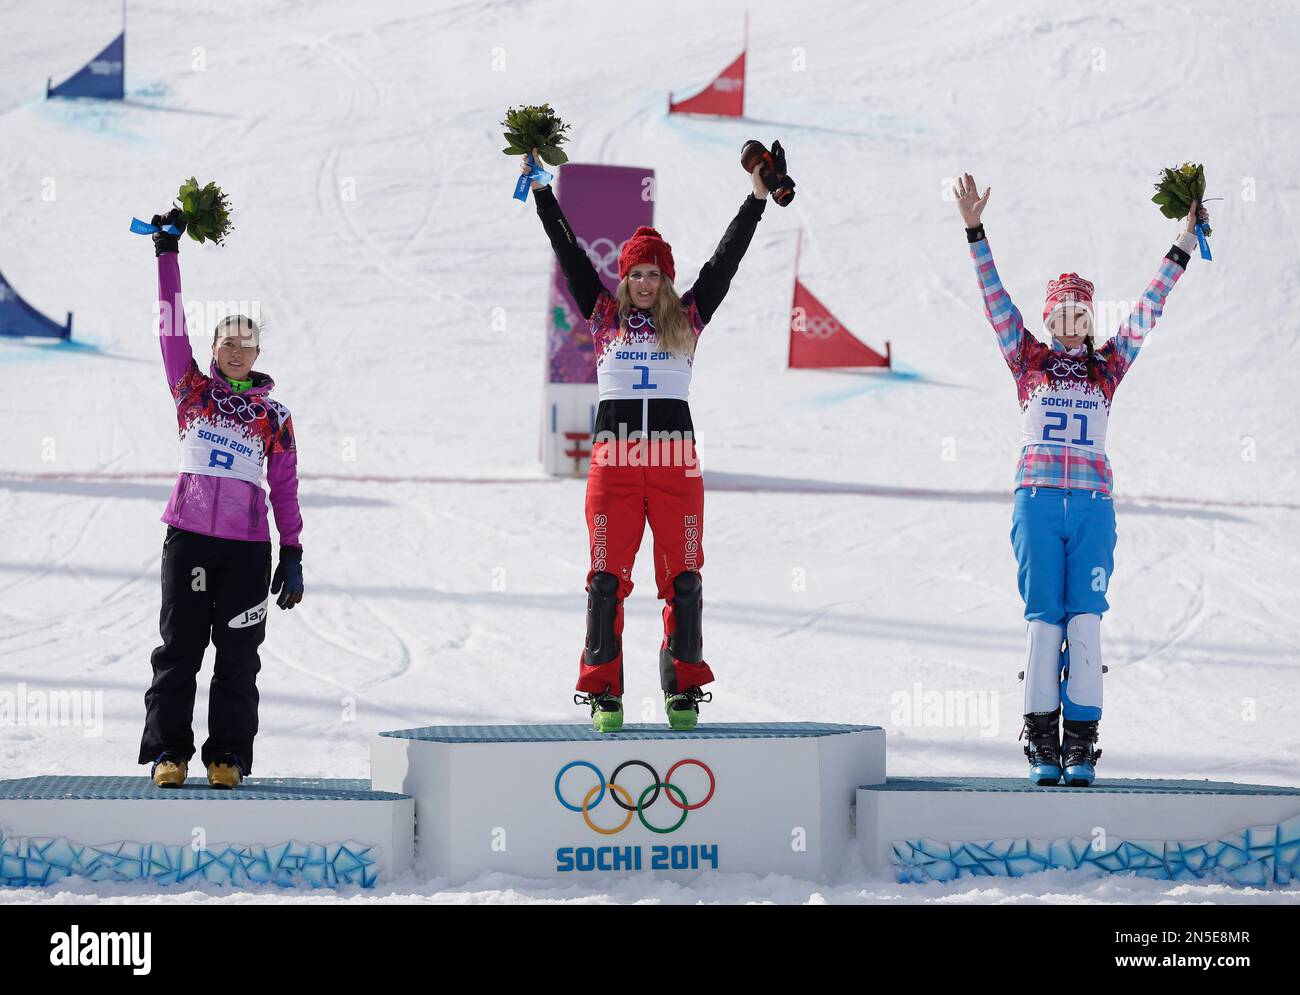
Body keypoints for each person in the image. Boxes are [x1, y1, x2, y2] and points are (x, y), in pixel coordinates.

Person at [953, 173, 1207, 785]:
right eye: (1060, 313)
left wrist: (1181, 242)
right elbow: (994, 300)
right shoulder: (1028, 359)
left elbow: (1150, 307)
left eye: (1079, 313)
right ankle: (1042, 740)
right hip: (1037, 504)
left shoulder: (1107, 366)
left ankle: (1081, 742)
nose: (1070, 322)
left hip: (1091, 507)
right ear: (1048, 318)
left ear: (1090, 319)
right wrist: (973, 229)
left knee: (1086, 621)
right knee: (1045, 622)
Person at [523, 149, 768, 731]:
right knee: (606, 581)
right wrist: (541, 192)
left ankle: (683, 688)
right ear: (623, 276)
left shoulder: (688, 317)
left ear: (665, 280)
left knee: (683, 581)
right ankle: (603, 690)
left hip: (675, 465)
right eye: (635, 273)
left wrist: (756, 200)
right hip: (615, 463)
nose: (643, 282)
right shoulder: (603, 316)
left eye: (653, 274)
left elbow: (724, 263)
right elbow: (569, 253)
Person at [138, 208, 305, 789]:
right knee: (179, 650)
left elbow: (283, 487)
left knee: (238, 658)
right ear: (213, 348)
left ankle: (227, 755)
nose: (237, 351)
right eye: (228, 342)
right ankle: (169, 754)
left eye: (247, 343)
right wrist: (167, 255)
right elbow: (169, 326)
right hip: (188, 538)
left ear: (258, 354)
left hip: (247, 550)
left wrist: (293, 552)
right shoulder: (191, 391)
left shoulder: (274, 416)